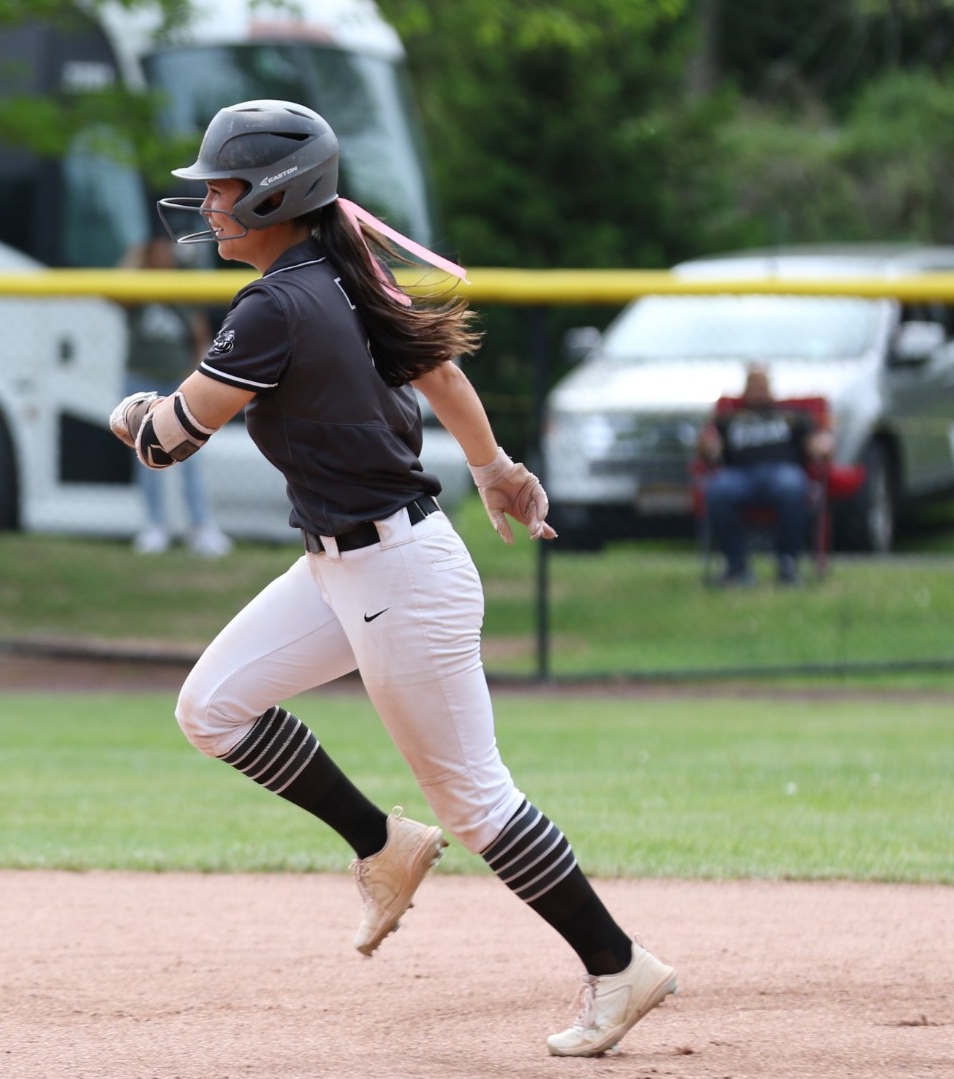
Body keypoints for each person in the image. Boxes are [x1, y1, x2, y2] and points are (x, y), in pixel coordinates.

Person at [107, 99, 676, 1058]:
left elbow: (167, 442)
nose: (208, 203)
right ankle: (381, 843)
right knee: (211, 707)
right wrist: (493, 467)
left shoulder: (274, 304)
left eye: (225, 187)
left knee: (477, 803)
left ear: (279, 194)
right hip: (345, 564)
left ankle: (620, 966)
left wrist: (131, 412)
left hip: (397, 576)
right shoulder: (341, 270)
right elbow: (440, 375)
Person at [121, 236, 232, 557]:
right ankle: (154, 526)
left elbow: (199, 334)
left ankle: (200, 526)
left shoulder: (182, 288)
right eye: (156, 253)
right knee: (147, 458)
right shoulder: (137, 288)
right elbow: (114, 293)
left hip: (176, 382)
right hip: (141, 382)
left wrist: (197, 379)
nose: (162, 258)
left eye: (166, 253)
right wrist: (135, 253)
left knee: (188, 454)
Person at [695, 364, 834, 587]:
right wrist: (706, 446)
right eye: (753, 384)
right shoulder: (730, 419)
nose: (758, 390)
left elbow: (817, 445)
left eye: (762, 384)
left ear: (771, 388)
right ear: (745, 389)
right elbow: (709, 451)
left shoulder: (792, 417)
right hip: (739, 475)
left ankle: (787, 564)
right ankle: (736, 566)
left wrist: (823, 445)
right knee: (718, 490)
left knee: (793, 486)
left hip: (782, 472)